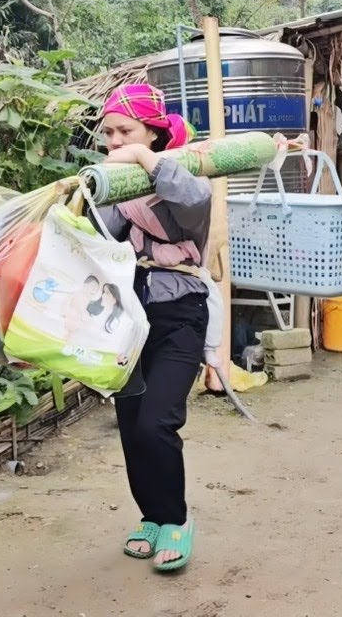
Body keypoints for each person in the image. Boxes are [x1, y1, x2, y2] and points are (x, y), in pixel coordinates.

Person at [93, 83, 210, 572]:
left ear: (153, 134)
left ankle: (177, 520)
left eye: (127, 132)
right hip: (130, 318)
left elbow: (194, 200)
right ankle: (151, 516)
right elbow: (99, 236)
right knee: (130, 425)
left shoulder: (185, 175)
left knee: (157, 421)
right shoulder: (115, 189)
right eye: (110, 135)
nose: (116, 142)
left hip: (181, 314)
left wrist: (143, 157)